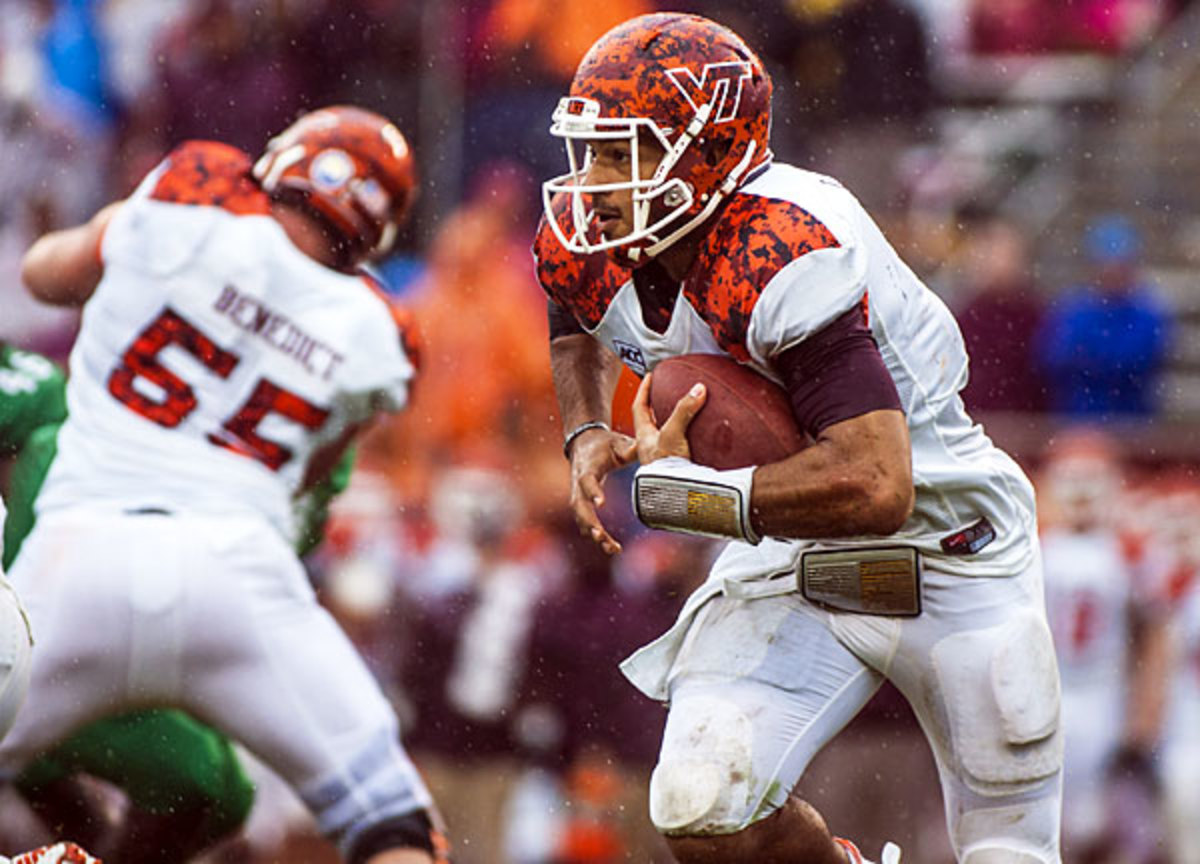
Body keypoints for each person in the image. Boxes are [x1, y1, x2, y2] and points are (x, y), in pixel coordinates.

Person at [536, 12, 1062, 864]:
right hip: (792, 545)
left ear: (703, 153)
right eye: (589, 152)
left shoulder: (779, 245)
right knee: (702, 810)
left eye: (617, 154)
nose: (590, 184)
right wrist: (587, 427)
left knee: (1010, 852)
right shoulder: (591, 236)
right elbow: (575, 319)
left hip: (950, 541)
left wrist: (694, 499)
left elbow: (878, 482)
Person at [1, 105, 449, 864]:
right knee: (391, 820)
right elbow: (306, 488)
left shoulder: (187, 196)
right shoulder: (380, 334)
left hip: (79, 559)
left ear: (281, 163)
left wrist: (129, 245)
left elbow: (44, 273)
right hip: (237, 578)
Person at [1036, 429, 1170, 864]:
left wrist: (1145, 708)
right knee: (1047, 817)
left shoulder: (1129, 551)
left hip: (1105, 691)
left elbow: (1155, 630)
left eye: (1092, 478)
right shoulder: (1036, 547)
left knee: (1106, 819)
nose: (1081, 491)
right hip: (1048, 688)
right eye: (1071, 478)